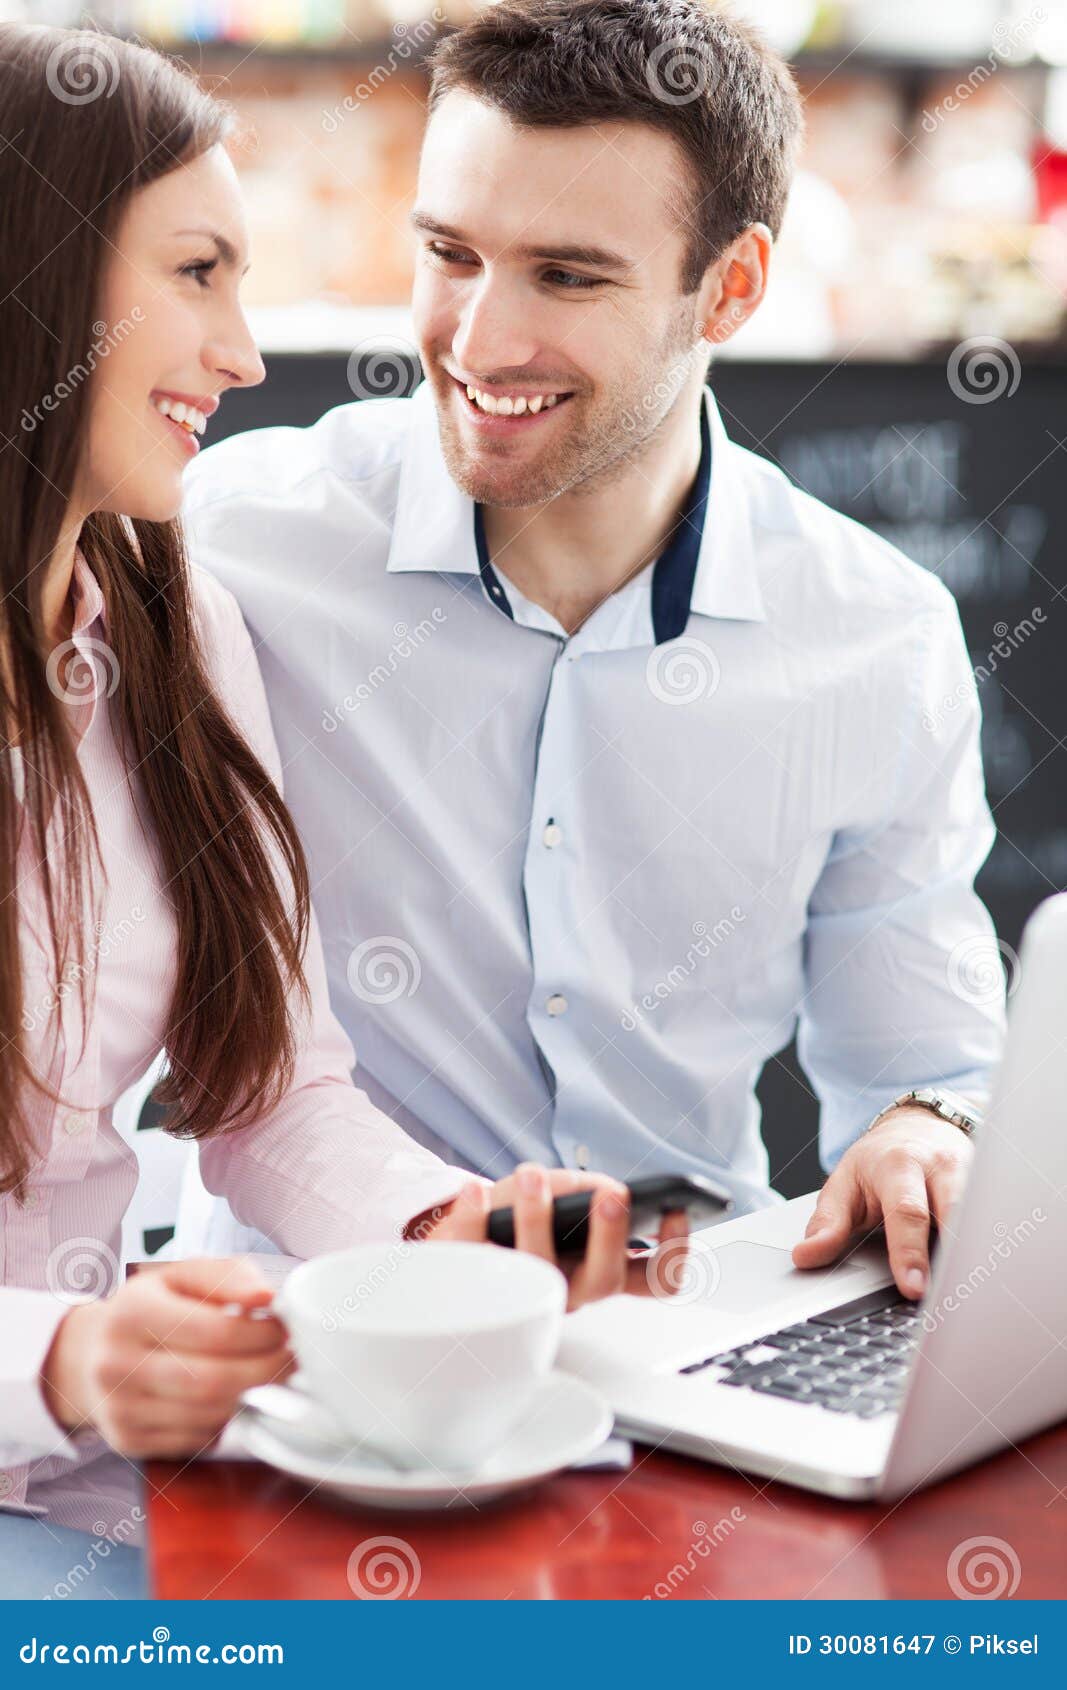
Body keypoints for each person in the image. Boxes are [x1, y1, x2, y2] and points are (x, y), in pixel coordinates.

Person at [178, 0, 1006, 1301]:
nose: (479, 341)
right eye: (450, 253)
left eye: (566, 277)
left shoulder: (878, 637)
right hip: (316, 1335)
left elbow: (924, 1065)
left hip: (693, 1318)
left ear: (730, 287)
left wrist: (925, 1129)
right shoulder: (228, 544)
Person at [0, 20, 671, 1530]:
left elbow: (273, 1093)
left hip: (100, 1497)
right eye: (196, 273)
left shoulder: (176, 622)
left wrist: (441, 1226)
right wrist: (60, 1360)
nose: (242, 353)